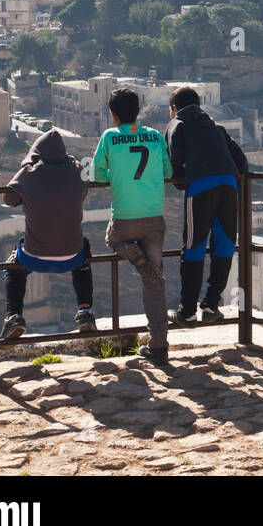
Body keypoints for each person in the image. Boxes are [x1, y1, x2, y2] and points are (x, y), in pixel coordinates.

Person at [91, 88, 172, 366]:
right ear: (138, 111)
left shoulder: (110, 137)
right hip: (154, 218)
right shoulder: (154, 135)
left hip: (124, 218)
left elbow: (97, 172)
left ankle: (130, 252)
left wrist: (117, 174)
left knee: (112, 242)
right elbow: (169, 172)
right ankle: (159, 345)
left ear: (113, 115)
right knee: (154, 283)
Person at [0, 129, 94, 341]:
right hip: (73, 255)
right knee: (84, 252)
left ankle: (14, 316)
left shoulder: (30, 173)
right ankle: (85, 311)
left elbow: (9, 199)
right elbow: (83, 190)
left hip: (34, 256)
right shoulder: (76, 169)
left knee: (13, 268)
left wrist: (27, 164)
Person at [164, 86, 247, 327]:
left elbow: (175, 165)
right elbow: (241, 161)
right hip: (229, 185)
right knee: (224, 245)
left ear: (174, 108)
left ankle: (187, 312)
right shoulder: (215, 126)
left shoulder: (176, 125)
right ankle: (211, 305)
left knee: (194, 246)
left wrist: (185, 183)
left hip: (201, 188)